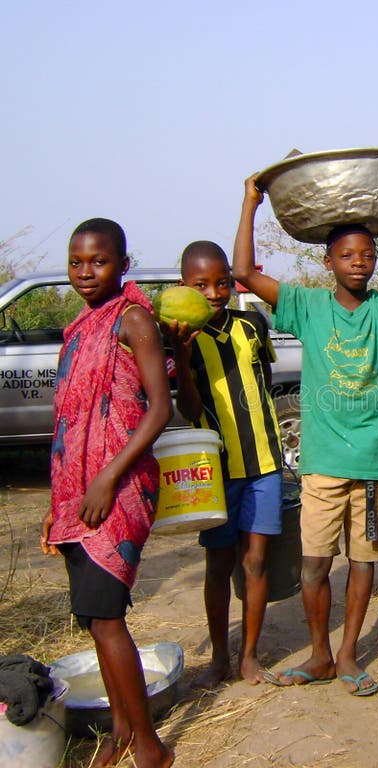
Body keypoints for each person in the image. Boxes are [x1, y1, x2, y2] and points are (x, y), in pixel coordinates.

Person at [232, 158, 378, 696]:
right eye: (348, 255)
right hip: (325, 462)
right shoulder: (306, 307)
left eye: (368, 254)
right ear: (328, 261)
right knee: (313, 566)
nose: (360, 263)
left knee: (363, 564)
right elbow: (243, 273)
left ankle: (349, 653)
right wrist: (250, 201)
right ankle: (319, 654)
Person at [41, 218, 174, 768]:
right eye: (76, 262)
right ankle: (121, 732)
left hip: (116, 489)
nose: (85, 272)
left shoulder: (133, 319)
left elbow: (159, 409)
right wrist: (67, 496)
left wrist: (106, 477)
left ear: (123, 264)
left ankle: (150, 748)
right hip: (78, 492)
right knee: (96, 620)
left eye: (98, 261)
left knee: (108, 616)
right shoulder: (79, 328)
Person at [166, 241, 284, 689]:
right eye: (201, 285)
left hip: (265, 463)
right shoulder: (184, 340)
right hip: (214, 471)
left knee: (256, 563)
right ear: (184, 287)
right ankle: (219, 656)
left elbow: (264, 386)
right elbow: (188, 409)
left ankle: (249, 657)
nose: (214, 292)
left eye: (221, 282)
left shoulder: (253, 324)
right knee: (219, 564)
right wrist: (180, 352)